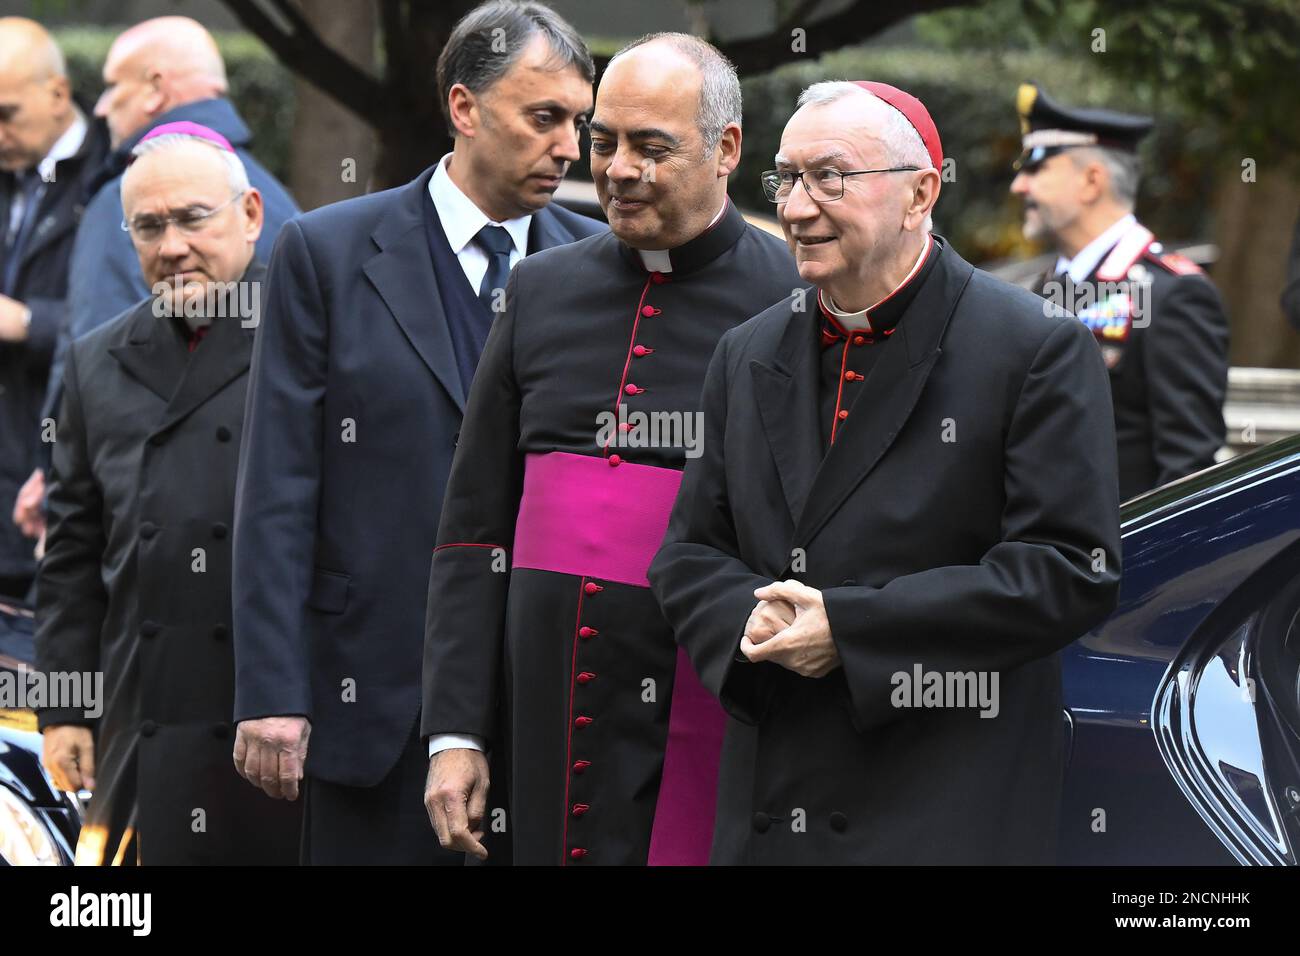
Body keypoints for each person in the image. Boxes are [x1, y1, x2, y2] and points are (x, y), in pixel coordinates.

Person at [648, 81, 1122, 864]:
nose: (797, 209)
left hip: (939, 798)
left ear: (919, 194)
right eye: (786, 179)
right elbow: (690, 551)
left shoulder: (1032, 347)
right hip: (775, 797)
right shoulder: (746, 350)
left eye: (830, 178)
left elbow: (1069, 569)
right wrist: (749, 620)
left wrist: (849, 628)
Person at [230, 0, 604, 865]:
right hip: (372, 711)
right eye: (543, 117)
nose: (569, 147)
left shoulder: (595, 268)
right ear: (464, 108)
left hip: (545, 712)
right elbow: (278, 484)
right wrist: (272, 690)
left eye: (578, 122)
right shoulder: (324, 253)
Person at [422, 33, 802, 866]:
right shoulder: (540, 287)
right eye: (604, 141)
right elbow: (473, 524)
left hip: (708, 696)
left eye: (651, 147)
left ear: (726, 149)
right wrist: (453, 729)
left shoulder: (792, 304)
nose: (617, 168)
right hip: (542, 705)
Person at [35, 124, 299, 865]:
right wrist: (66, 707)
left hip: (277, 719)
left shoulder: (307, 331)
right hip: (142, 710)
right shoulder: (98, 360)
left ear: (250, 215)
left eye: (192, 219)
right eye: (149, 227)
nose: (172, 246)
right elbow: (73, 556)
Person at [14, 15, 299, 540]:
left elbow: (95, 336)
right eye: (150, 228)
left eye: (112, 87)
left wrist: (53, 469)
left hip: (149, 514)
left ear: (155, 89)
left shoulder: (125, 195)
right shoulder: (274, 193)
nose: (99, 106)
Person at [1011, 83, 1229, 500]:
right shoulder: (1044, 287)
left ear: (1092, 180)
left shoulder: (1173, 293)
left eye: (1035, 168)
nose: (1019, 187)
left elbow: (1187, 474)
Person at [0, 18, 108, 601]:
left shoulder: (115, 173)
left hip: (51, 475)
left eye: (6, 112)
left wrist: (27, 322)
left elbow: (136, 311)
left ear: (58, 95)